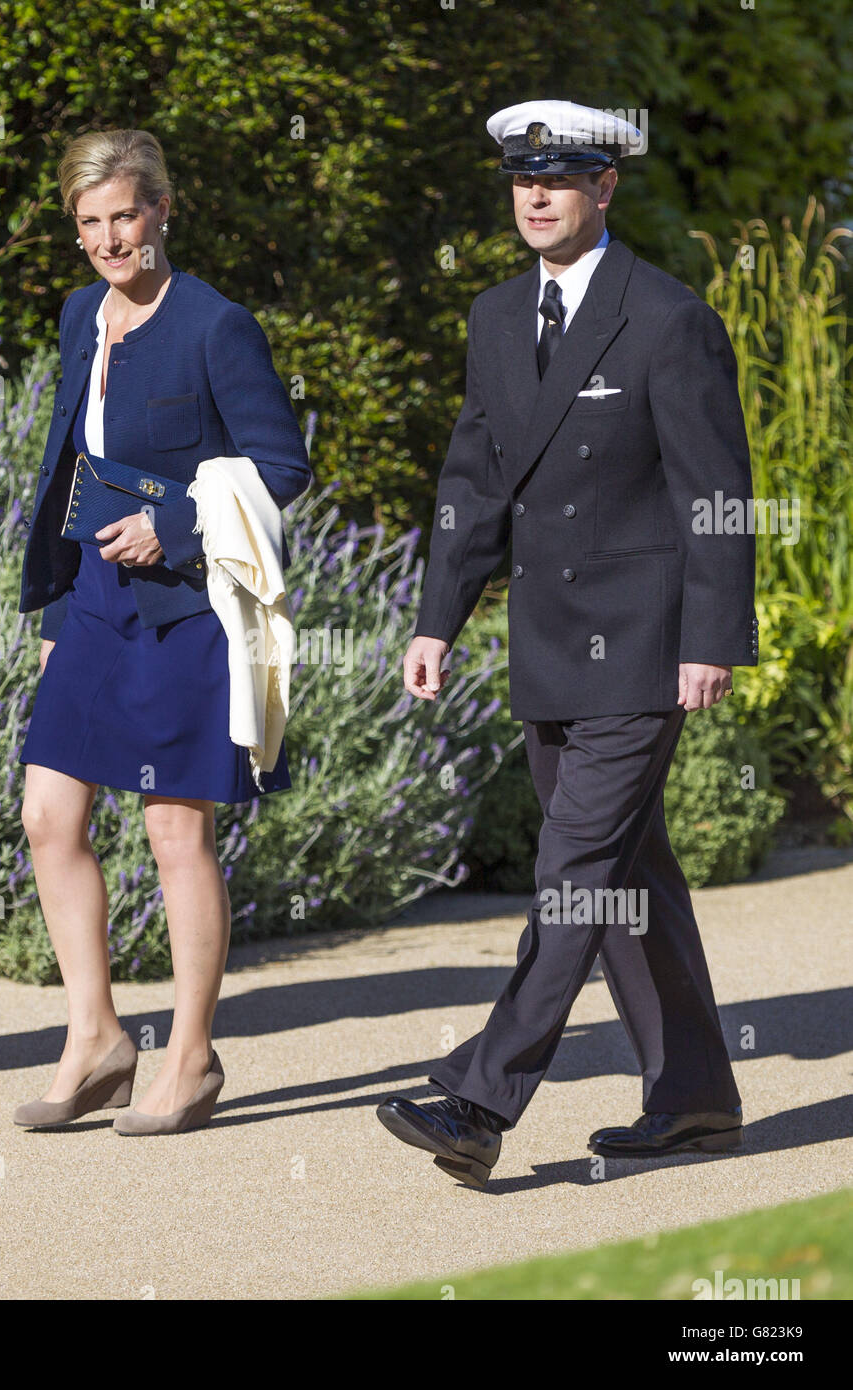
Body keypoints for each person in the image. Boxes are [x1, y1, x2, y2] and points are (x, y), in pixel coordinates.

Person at [377, 101, 758, 1189]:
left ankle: (479, 1098)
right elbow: (473, 482)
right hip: (547, 652)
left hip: (642, 651)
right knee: (626, 877)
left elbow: (717, 495)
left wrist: (711, 638)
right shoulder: (495, 317)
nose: (534, 195)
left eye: (560, 177)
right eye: (519, 177)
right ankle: (693, 1096)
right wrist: (436, 617)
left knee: (574, 875)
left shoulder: (665, 317)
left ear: (606, 189)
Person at [16, 129, 312, 1135]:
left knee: (174, 828)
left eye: (124, 217)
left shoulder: (215, 325)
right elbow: (73, 469)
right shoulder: (77, 317)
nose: (108, 239)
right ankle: (95, 1035)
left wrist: (175, 525)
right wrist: (60, 609)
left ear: (161, 212)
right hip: (93, 597)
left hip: (187, 601)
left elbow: (282, 464)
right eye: (90, 223)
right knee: (48, 815)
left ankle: (188, 1058)